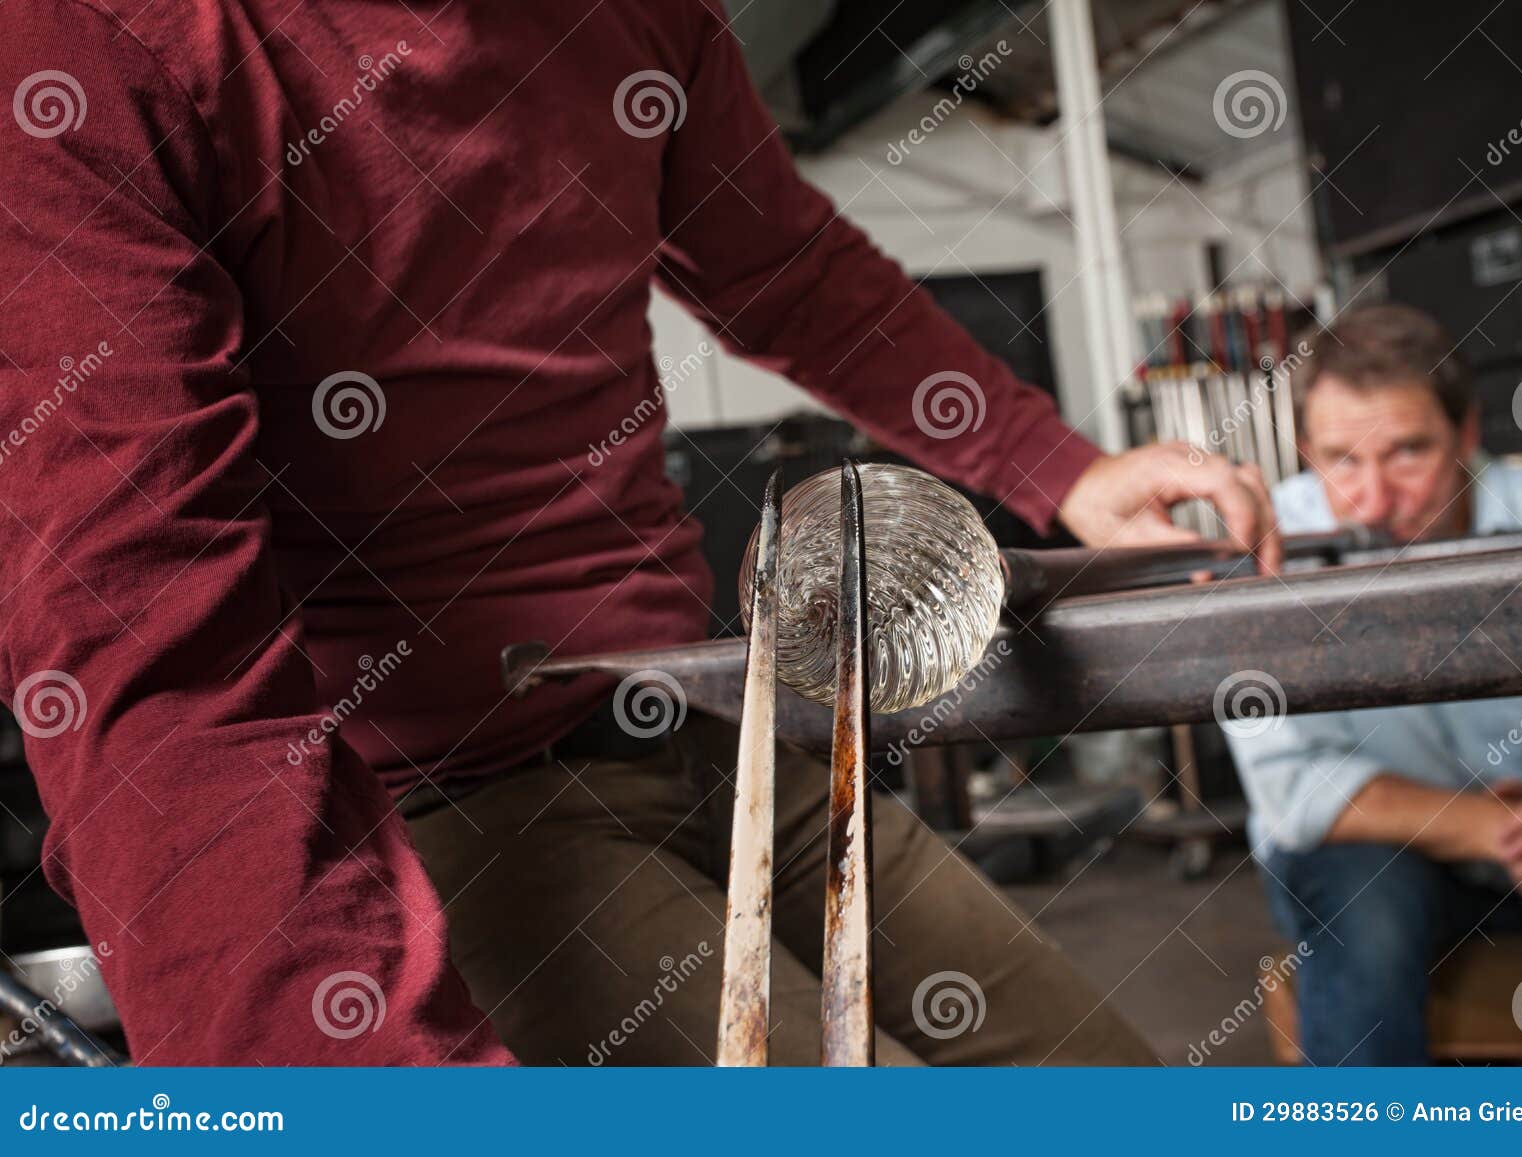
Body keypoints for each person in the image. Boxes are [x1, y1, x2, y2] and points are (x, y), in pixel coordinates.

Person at [0, 0, 1279, 1064]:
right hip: (449, 794)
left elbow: (781, 263)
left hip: (711, 722)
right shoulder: (98, 45)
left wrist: (1057, 466)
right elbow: (156, 656)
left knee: (1105, 1084)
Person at [1225, 303, 1522, 1066]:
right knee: (1371, 906)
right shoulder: (1260, 563)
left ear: (1467, 436)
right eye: (1340, 460)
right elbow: (1296, 792)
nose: (1374, 499)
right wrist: (1507, 830)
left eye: (1407, 453)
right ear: (1305, 450)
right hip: (1379, 858)